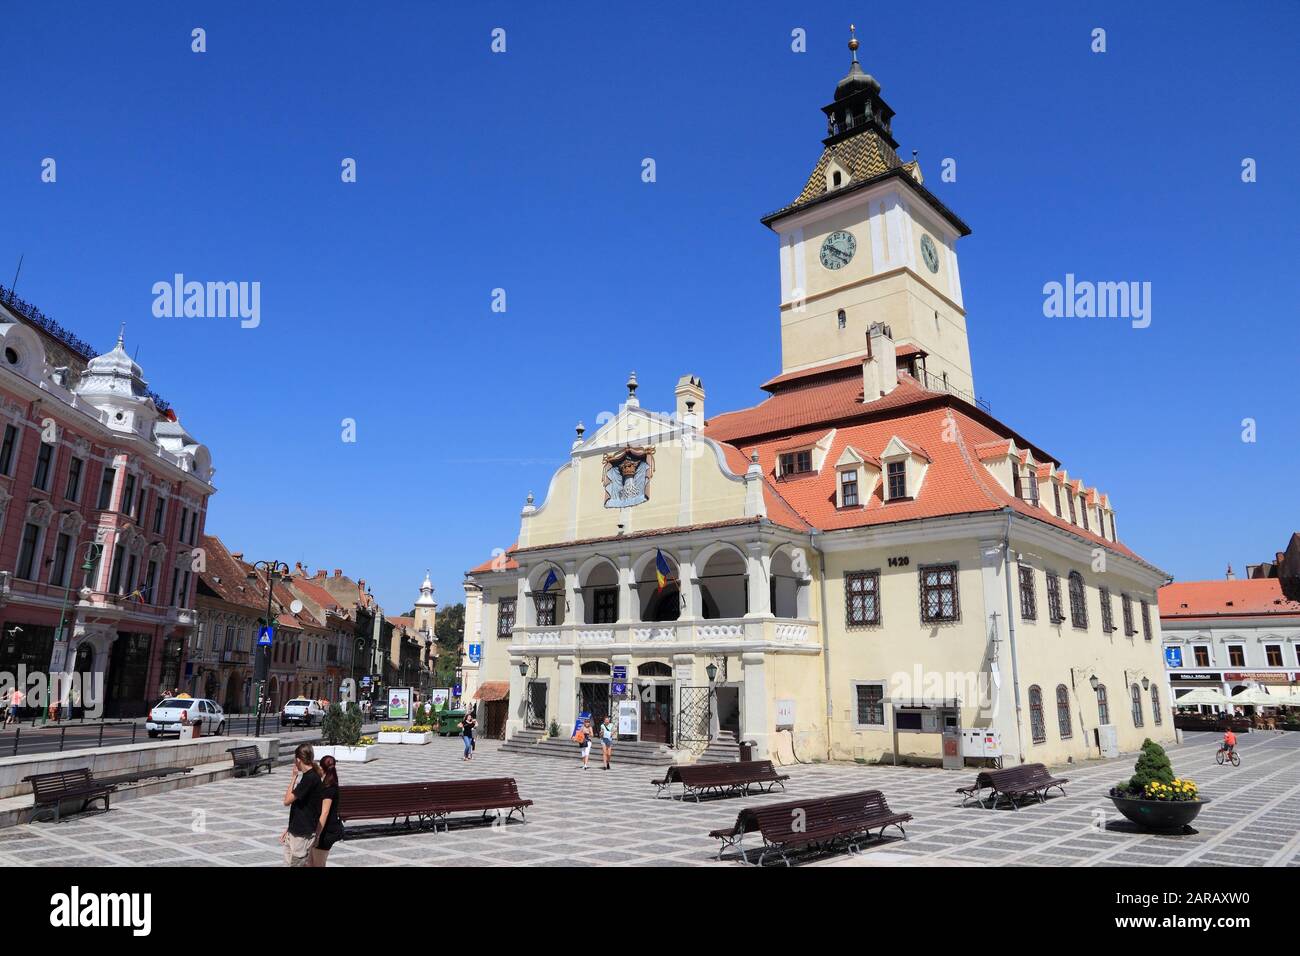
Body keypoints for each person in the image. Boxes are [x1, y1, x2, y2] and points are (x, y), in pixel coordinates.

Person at [280, 743, 322, 867]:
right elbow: (303, 806)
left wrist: (293, 777)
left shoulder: (310, 779)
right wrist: (289, 829)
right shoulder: (311, 776)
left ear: (298, 760)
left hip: (301, 834)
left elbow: (287, 801)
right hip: (297, 831)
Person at [311, 755, 344, 867]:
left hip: (326, 832)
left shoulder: (329, 788)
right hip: (326, 830)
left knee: (318, 864)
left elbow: (325, 813)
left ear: (322, 768)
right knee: (309, 863)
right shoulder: (329, 783)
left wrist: (317, 836)